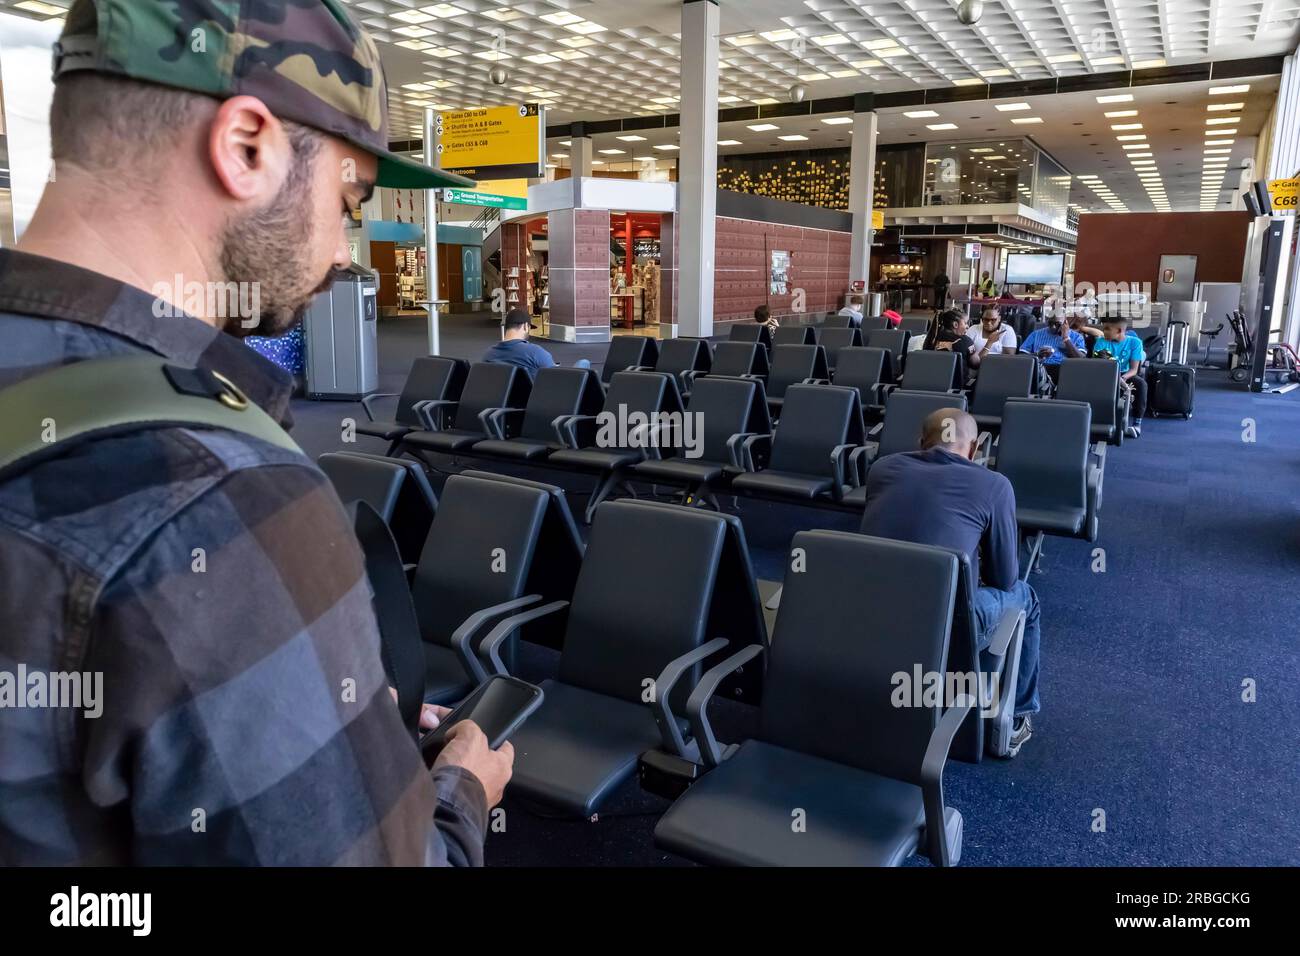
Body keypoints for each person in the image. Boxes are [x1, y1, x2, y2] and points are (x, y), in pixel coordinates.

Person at [0, 0, 513, 865]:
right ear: (246, 147)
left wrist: (307, 704)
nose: (347, 247)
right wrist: (459, 793)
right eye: (350, 195)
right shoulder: (224, 496)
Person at [860, 409, 1041, 755]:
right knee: (1026, 597)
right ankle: (1015, 716)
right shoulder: (995, 485)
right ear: (974, 449)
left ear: (920, 443)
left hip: (873, 608)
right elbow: (1005, 578)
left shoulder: (882, 469)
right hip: (945, 622)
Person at [1090, 316, 1148, 437]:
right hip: (1105, 373)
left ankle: (1137, 423)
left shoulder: (1135, 342)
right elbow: (1098, 365)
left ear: (1119, 331)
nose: (1104, 331)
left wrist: (1123, 378)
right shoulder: (1101, 341)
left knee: (1141, 384)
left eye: (1107, 329)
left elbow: (1134, 369)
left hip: (1125, 374)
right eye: (1104, 328)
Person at [484, 308, 568, 382]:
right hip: (532, 398)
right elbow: (556, 378)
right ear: (525, 326)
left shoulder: (488, 355)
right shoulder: (535, 353)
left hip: (501, 399)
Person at [1019, 311, 1086, 385]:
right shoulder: (1036, 334)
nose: (1053, 327)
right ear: (1047, 321)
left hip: (1063, 370)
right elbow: (1021, 357)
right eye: (1050, 323)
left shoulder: (1076, 337)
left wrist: (1066, 338)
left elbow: (1080, 359)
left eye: (1057, 324)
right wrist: (1038, 354)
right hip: (1039, 368)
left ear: (1065, 322)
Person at [926, 309, 979, 385]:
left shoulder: (933, 338)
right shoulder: (965, 341)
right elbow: (975, 364)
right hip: (957, 386)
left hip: (932, 382)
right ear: (955, 325)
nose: (967, 326)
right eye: (965, 323)